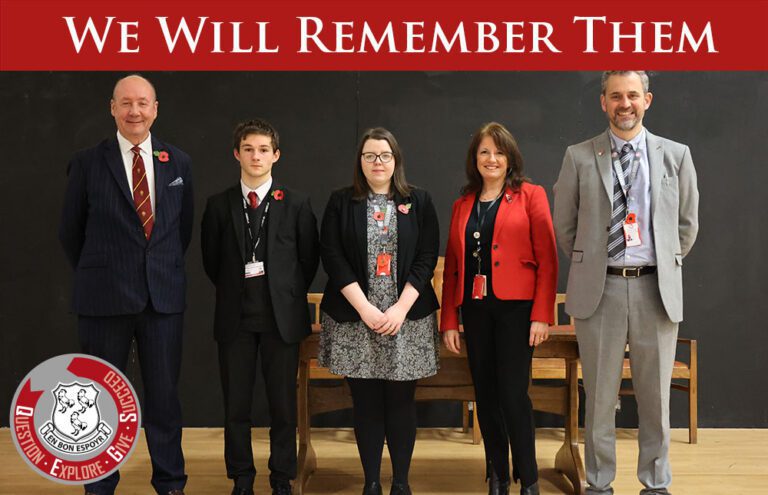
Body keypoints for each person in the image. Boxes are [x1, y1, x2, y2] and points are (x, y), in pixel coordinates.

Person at [553, 71, 699, 495]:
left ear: (647, 99)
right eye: (615, 95)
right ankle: (599, 483)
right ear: (603, 102)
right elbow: (566, 225)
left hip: (656, 289)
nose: (625, 103)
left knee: (654, 397)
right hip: (602, 290)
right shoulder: (579, 156)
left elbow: (687, 226)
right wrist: (593, 263)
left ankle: (655, 483)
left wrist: (664, 264)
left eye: (632, 95)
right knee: (599, 395)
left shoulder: (676, 155)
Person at [59, 74, 192, 495]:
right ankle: (99, 485)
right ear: (112, 108)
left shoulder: (179, 162)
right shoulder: (86, 162)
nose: (134, 111)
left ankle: (170, 483)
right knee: (96, 398)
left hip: (162, 298)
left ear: (155, 108)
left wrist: (155, 270)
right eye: (126, 103)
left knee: (164, 398)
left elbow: (180, 231)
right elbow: (70, 232)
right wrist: (103, 272)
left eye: (142, 103)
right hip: (103, 299)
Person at [318, 127, 440, 495]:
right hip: (355, 318)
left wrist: (401, 307)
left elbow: (426, 257)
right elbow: (333, 257)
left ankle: (400, 482)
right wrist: (365, 308)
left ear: (396, 160)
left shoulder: (418, 200)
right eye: (369, 155)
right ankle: (371, 481)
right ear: (360, 162)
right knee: (366, 402)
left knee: (401, 402)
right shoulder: (342, 202)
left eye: (384, 155)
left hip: (407, 318)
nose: (377, 162)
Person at [201, 119, 319, 495]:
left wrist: (284, 293)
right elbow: (211, 261)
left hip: (281, 321)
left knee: (283, 406)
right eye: (249, 149)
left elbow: (308, 259)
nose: (256, 156)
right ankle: (242, 476)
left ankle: (281, 476)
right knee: (236, 406)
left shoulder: (297, 203)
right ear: (237, 154)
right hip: (235, 320)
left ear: (276, 155)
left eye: (264, 149)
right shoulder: (219, 205)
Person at [440, 122, 557, 495]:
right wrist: (449, 320)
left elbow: (548, 260)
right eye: (484, 152)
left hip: (516, 310)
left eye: (499, 152)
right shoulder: (462, 204)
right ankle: (498, 475)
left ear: (510, 158)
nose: (492, 159)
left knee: (512, 395)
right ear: (475, 159)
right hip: (475, 310)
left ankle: (530, 476)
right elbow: (454, 268)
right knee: (485, 395)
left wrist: (541, 314)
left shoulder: (531, 195)